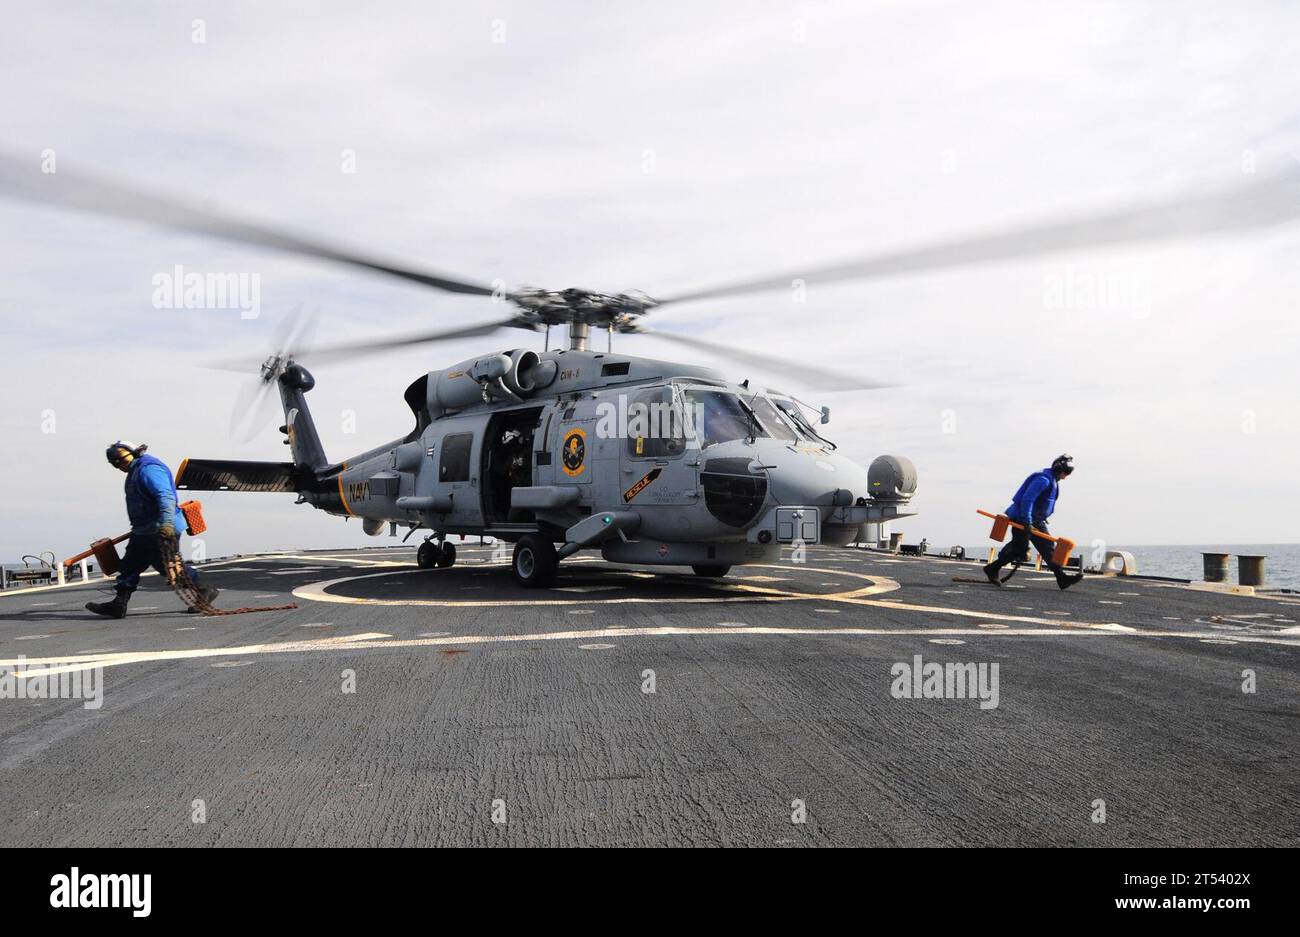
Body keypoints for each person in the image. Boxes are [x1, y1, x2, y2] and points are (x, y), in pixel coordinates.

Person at [85, 441, 218, 619]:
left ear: (133, 452)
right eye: (114, 464)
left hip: (159, 529)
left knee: (169, 568)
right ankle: (119, 604)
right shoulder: (135, 471)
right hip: (142, 530)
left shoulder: (148, 469)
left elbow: (166, 497)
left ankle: (204, 589)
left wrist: (167, 524)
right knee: (130, 566)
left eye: (120, 460)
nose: (119, 465)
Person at [984, 454, 1084, 590]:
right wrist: (1027, 522)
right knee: (1020, 549)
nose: (1066, 475)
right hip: (1023, 519)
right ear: (1058, 469)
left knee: (1048, 548)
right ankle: (992, 568)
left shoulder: (1051, 479)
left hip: (1035, 520)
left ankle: (1062, 578)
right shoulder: (1043, 480)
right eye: (1066, 472)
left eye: (1069, 472)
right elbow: (1027, 500)